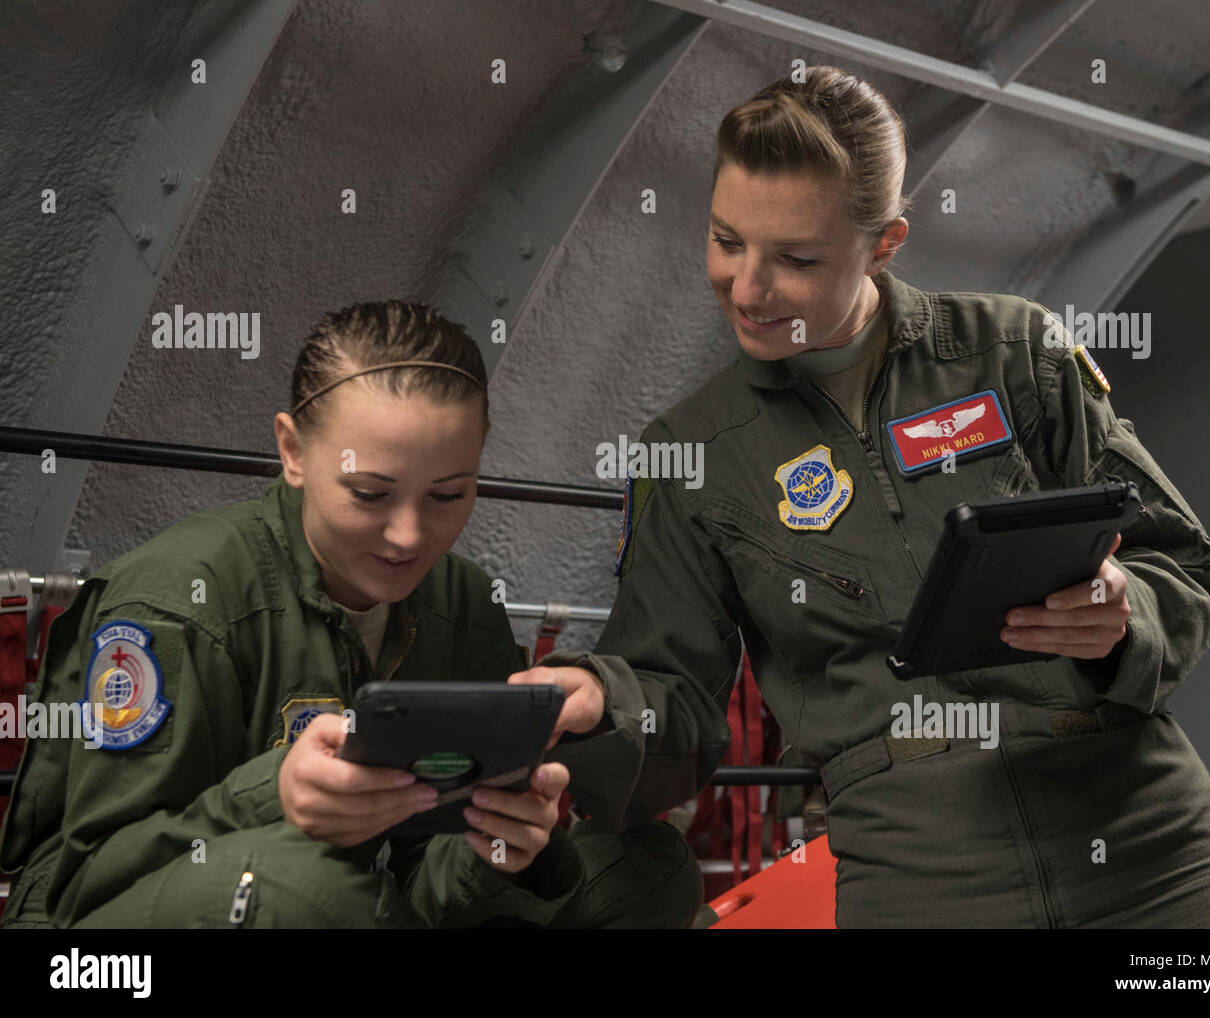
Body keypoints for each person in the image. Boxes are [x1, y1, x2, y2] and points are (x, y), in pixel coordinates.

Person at [521, 66, 1210, 928]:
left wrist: (1126, 611)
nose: (746, 288)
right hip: (918, 864)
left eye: (796, 259)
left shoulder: (1014, 352)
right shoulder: (688, 453)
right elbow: (679, 706)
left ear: (885, 241)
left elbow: (1180, 563)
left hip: (1148, 831)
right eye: (727, 240)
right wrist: (600, 699)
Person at [0, 301, 703, 929]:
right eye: (370, 493)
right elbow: (80, 887)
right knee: (291, 891)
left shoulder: (464, 605)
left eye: (448, 495)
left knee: (643, 871)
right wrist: (274, 796)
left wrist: (505, 848)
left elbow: (426, 876)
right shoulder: (175, 604)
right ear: (292, 451)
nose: (408, 536)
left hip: (357, 902)